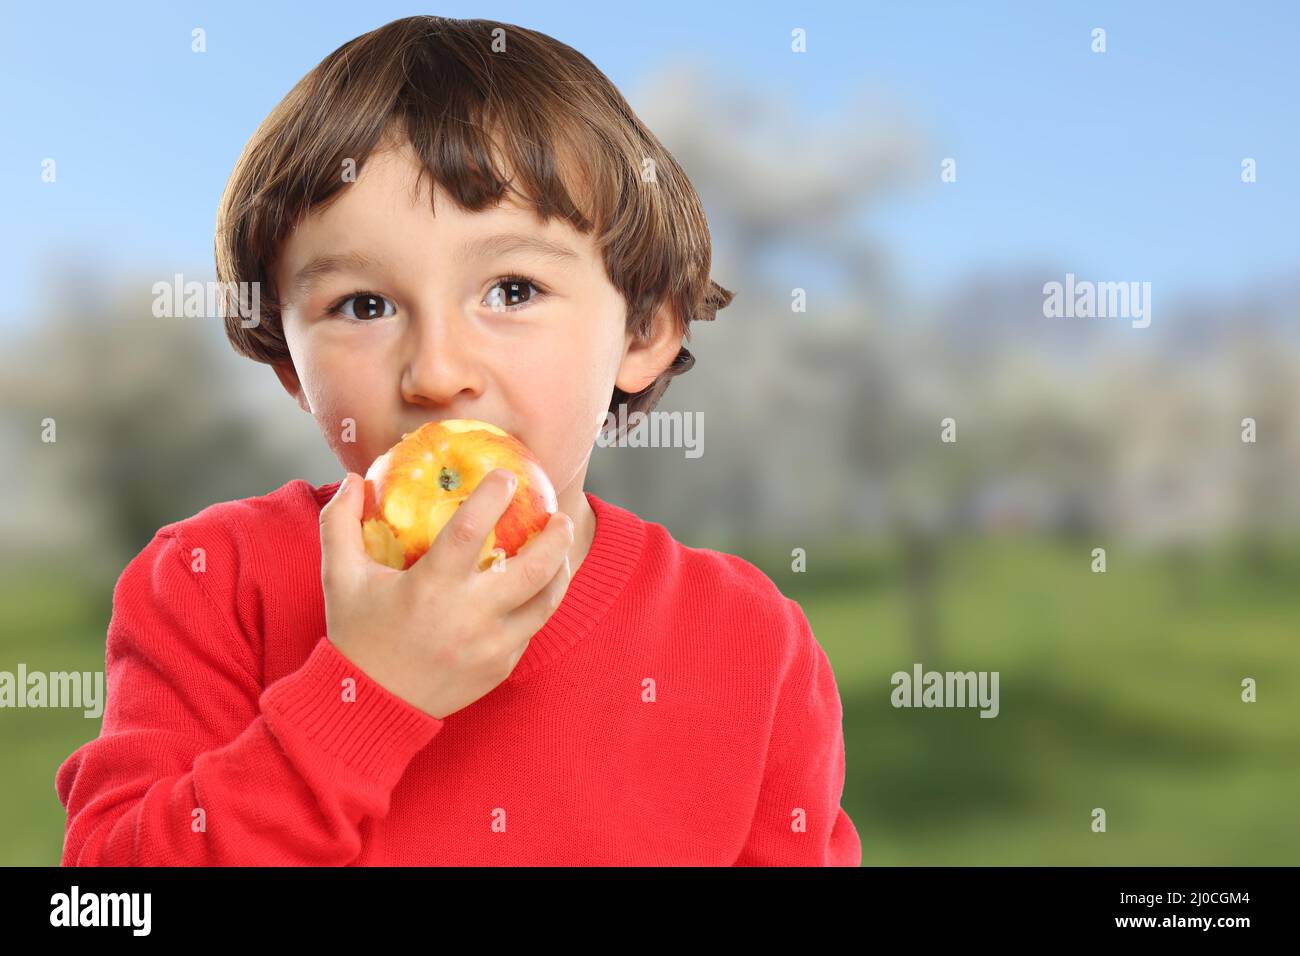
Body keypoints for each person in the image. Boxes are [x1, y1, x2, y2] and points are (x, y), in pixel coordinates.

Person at [55, 15, 860, 866]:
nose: (437, 372)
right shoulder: (211, 587)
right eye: (363, 306)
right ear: (288, 363)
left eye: (512, 289)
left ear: (644, 331)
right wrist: (365, 697)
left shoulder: (750, 641)